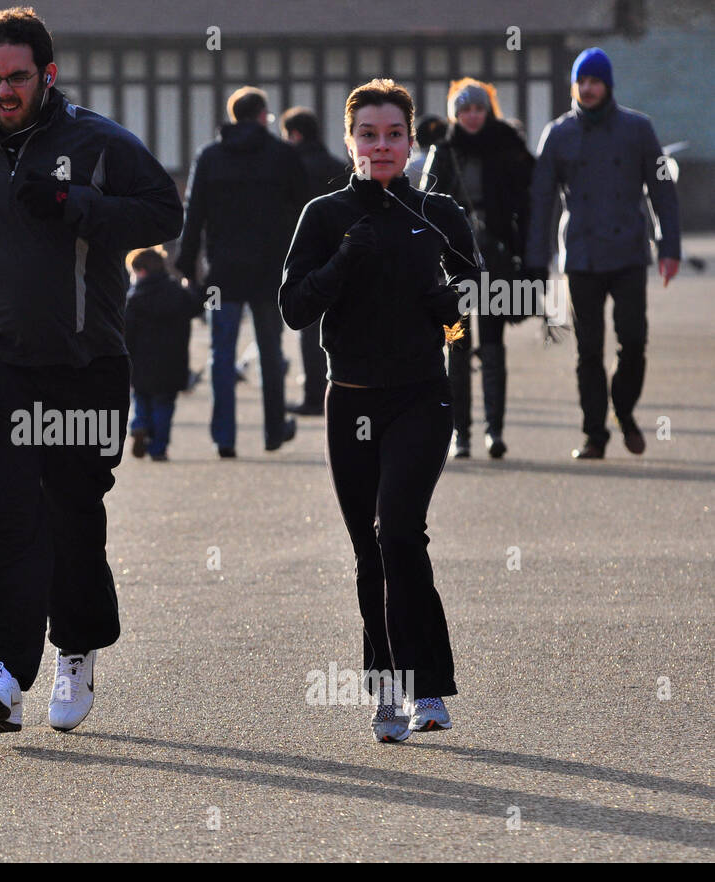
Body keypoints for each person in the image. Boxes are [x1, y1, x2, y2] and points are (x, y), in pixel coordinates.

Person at [0, 7, 182, 733]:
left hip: (86, 363)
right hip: (1, 362)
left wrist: (76, 202)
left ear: (47, 75)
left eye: (18, 78)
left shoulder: (96, 142)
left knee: (71, 516)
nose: (4, 91)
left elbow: (166, 212)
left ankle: (77, 646)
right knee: (5, 511)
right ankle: (2, 669)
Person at [279, 78, 481, 742]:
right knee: (371, 551)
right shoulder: (325, 215)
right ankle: (388, 690)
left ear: (412, 140)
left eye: (394, 133)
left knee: (398, 530)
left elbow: (471, 291)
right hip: (352, 401)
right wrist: (342, 261)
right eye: (368, 133)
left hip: (422, 395)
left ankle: (428, 688)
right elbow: (294, 307)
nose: (382, 145)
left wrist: (448, 309)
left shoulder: (439, 212)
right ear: (350, 140)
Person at [526, 47, 681, 459]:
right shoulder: (557, 134)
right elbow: (541, 202)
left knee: (633, 340)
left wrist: (670, 247)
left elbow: (662, 189)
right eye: (582, 81)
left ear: (608, 85)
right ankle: (595, 434)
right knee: (588, 349)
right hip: (581, 254)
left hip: (630, 251)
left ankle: (624, 411)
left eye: (595, 81)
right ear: (574, 86)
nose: (588, 88)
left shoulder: (638, 129)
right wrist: (535, 262)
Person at [176, 87, 307, 458]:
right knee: (270, 351)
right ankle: (274, 430)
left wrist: (189, 267)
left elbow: (194, 215)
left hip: (224, 271)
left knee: (221, 352)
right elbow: (303, 210)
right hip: (270, 268)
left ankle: (225, 436)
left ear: (234, 115)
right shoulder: (283, 155)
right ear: (263, 115)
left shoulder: (211, 157)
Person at [420, 79, 534, 459]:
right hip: (452, 260)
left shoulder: (508, 147)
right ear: (454, 113)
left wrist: (530, 261)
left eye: (478, 108)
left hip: (497, 257)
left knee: (493, 344)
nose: (472, 116)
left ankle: (494, 431)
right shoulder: (444, 150)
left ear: (489, 110)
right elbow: (424, 207)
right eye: (464, 109)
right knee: (457, 343)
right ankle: (461, 433)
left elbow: (528, 206)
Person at [281, 106, 349, 416]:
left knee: (309, 329)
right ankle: (345, 388)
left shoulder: (290, 168)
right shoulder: (338, 166)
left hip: (307, 256)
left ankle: (314, 395)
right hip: (342, 254)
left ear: (294, 134)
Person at [124, 246, 202, 461]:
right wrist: (194, 286)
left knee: (140, 399)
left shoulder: (134, 299)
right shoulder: (177, 293)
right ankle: (158, 448)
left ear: (140, 272)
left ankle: (139, 425)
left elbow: (127, 333)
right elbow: (197, 306)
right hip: (171, 364)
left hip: (141, 364)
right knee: (164, 406)